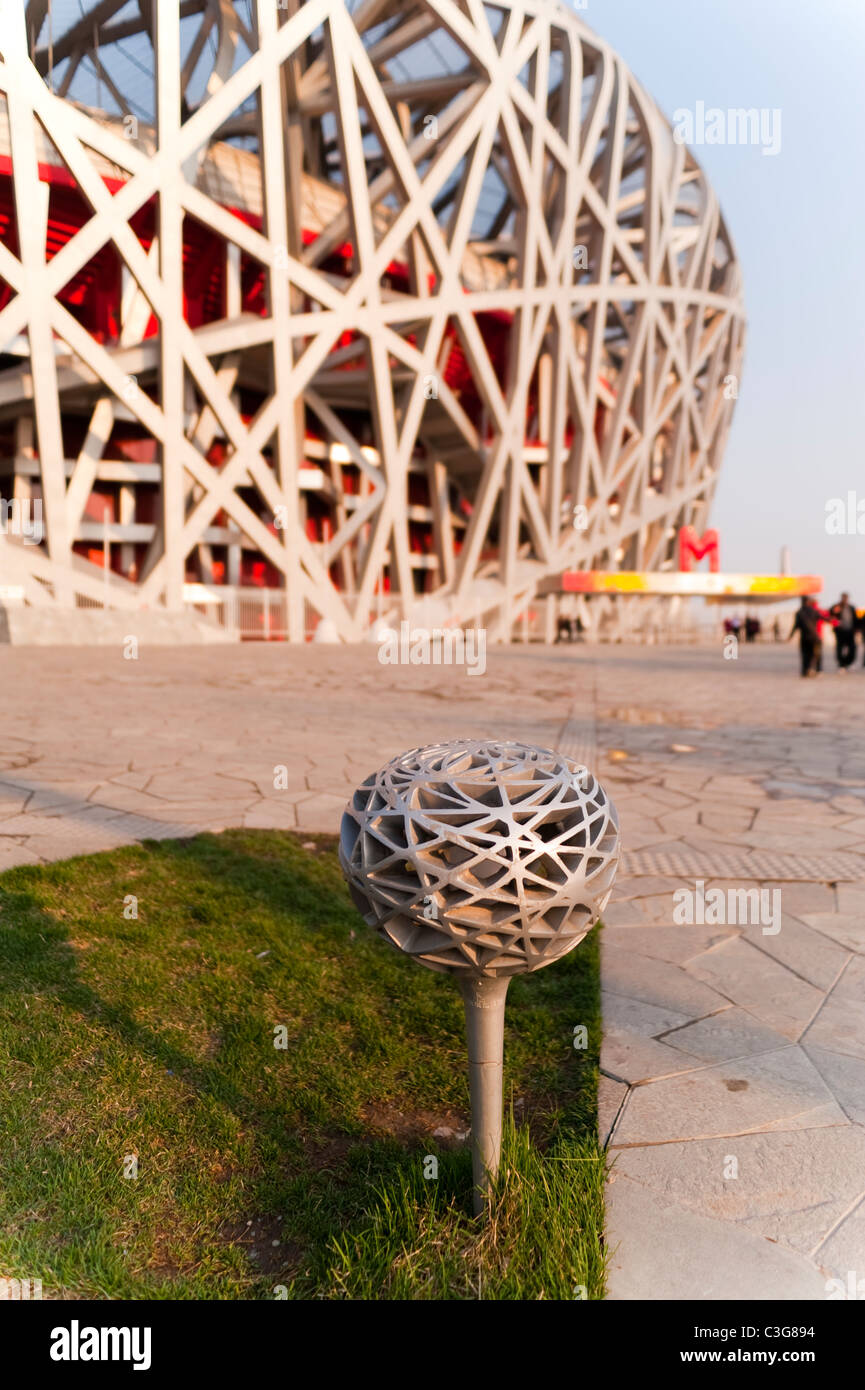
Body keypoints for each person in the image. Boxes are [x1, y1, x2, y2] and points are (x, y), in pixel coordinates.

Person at [788, 596, 836, 677]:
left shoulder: (799, 612)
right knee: (817, 654)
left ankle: (805, 671)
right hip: (815, 638)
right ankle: (817, 670)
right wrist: (833, 620)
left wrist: (790, 636)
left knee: (805, 655)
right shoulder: (813, 611)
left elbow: (795, 626)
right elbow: (824, 618)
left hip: (805, 638)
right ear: (808, 602)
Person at [829, 592, 857, 671]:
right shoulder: (837, 607)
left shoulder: (851, 607)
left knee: (852, 648)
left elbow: (856, 619)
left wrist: (857, 629)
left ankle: (848, 662)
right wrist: (834, 611)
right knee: (839, 648)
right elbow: (831, 614)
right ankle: (841, 664)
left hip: (850, 632)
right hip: (840, 632)